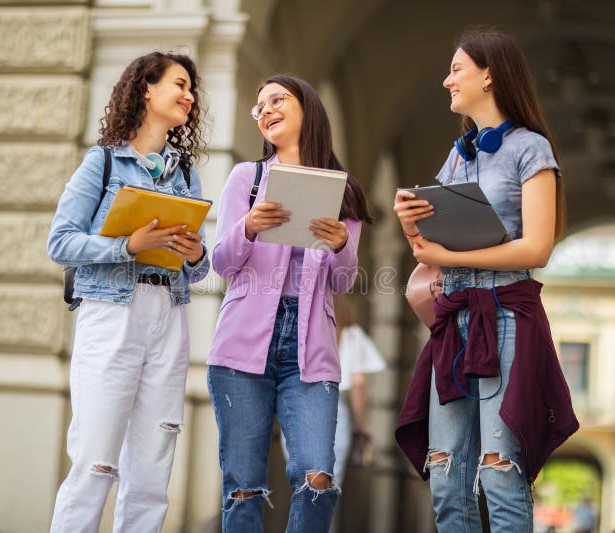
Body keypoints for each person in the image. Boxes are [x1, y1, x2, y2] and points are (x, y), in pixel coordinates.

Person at [393, 30, 579, 533]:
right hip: (455, 319)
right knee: (444, 474)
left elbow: (536, 248)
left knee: (499, 472)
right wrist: (409, 220)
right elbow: (429, 246)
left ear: (488, 74)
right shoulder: (458, 157)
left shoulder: (530, 149)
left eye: (457, 68)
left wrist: (445, 251)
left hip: (506, 318)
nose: (446, 79)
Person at [46, 51, 209, 533]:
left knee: (153, 470)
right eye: (179, 84)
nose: (188, 95)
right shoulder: (102, 161)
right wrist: (127, 246)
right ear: (146, 89)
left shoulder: (185, 174)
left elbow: (199, 270)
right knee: (95, 461)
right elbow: (60, 241)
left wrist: (196, 253)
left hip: (168, 317)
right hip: (111, 313)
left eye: (191, 89)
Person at [206, 75, 373, 533]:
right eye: (259, 106)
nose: (266, 110)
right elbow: (221, 262)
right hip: (241, 348)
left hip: (311, 351)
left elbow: (343, 280)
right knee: (243, 485)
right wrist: (249, 227)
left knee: (317, 476)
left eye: (277, 99)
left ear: (308, 109)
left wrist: (342, 245)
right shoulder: (248, 178)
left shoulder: (345, 192)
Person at [281, 293, 386, 489]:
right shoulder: (352, 336)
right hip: (334, 413)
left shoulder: (300, 332)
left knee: (301, 486)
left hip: (297, 412)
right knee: (327, 486)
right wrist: (361, 426)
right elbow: (359, 382)